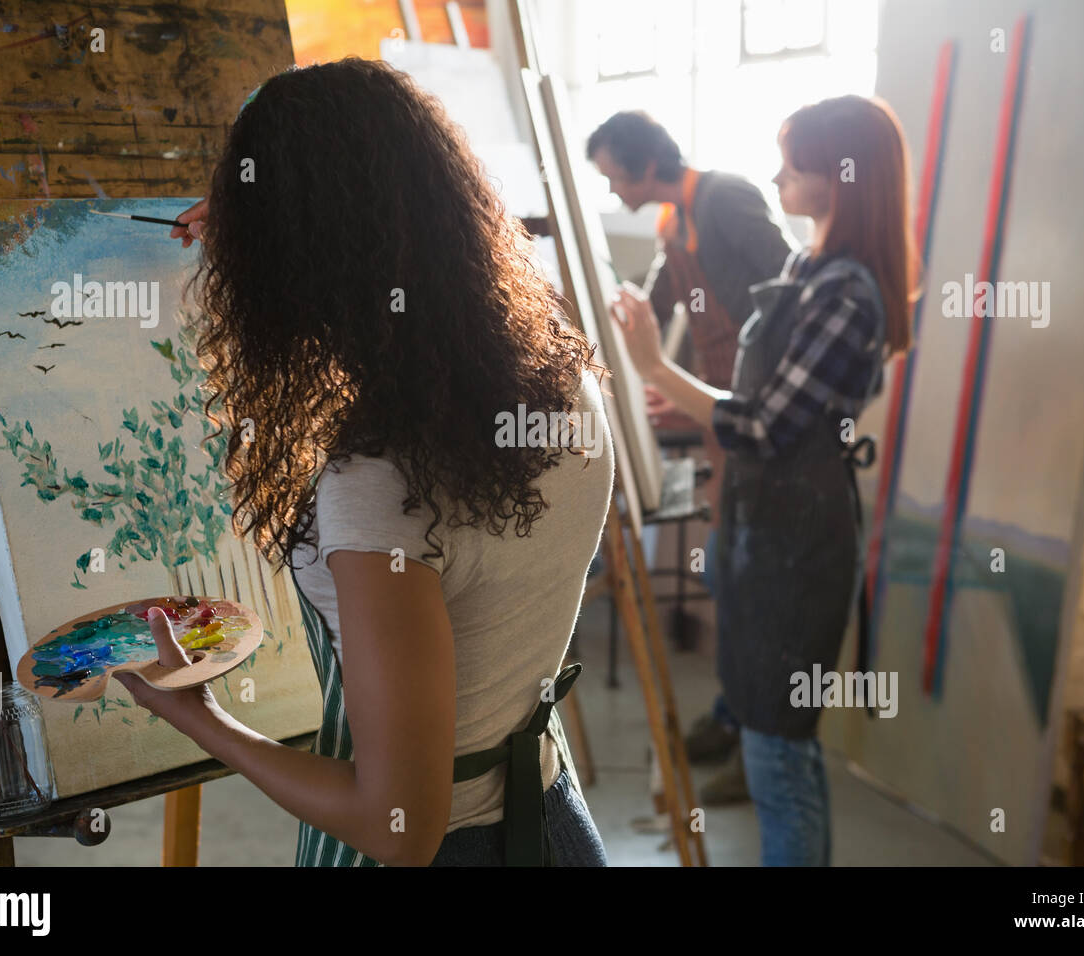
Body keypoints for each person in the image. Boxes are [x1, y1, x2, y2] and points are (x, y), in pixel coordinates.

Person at [117, 58, 614, 867]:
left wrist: (204, 720)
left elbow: (400, 824)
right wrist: (271, 225)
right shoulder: (562, 379)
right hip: (550, 820)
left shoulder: (376, 490)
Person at [610, 94, 918, 865]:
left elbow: (762, 424)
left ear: (843, 176)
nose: (778, 173)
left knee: (781, 759)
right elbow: (757, 406)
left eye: (795, 160)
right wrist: (671, 386)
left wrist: (658, 370)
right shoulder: (809, 267)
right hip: (765, 531)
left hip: (799, 549)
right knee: (769, 745)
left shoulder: (847, 291)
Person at [587, 111, 793, 804]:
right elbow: (650, 307)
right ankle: (733, 717)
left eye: (616, 176)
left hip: (761, 423)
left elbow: (788, 297)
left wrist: (729, 401)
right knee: (730, 578)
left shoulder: (726, 197)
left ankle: (764, 748)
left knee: (758, 589)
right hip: (723, 419)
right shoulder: (674, 224)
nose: (615, 192)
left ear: (646, 165)